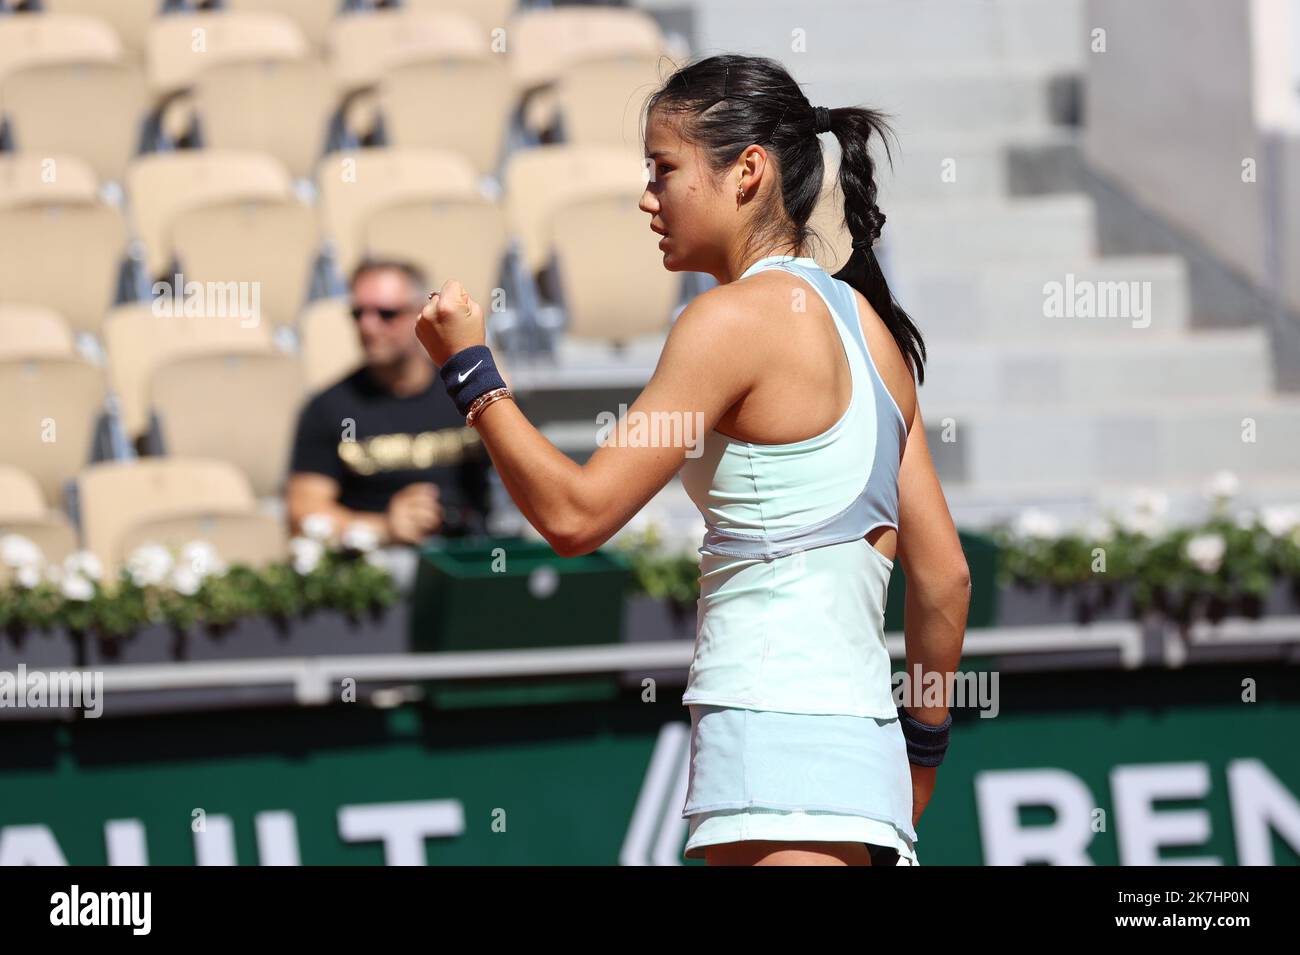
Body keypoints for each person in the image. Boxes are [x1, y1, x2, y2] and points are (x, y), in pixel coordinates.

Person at [415, 53, 970, 866]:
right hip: (862, 772)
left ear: (746, 172)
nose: (648, 197)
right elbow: (946, 577)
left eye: (663, 169)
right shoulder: (875, 332)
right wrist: (922, 748)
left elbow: (576, 514)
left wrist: (470, 372)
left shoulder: (729, 323)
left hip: (776, 763)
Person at [287, 258, 492, 546]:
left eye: (386, 314)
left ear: (421, 315)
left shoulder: (469, 394)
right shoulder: (327, 408)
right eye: (358, 314)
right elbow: (303, 516)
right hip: (376, 570)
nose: (368, 327)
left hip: (474, 559)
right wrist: (384, 528)